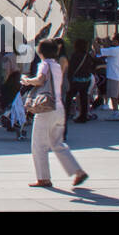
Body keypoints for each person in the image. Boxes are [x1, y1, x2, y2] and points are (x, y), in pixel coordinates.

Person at [21, 40, 87, 189]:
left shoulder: (44, 65)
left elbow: (40, 80)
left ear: (40, 52)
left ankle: (43, 178)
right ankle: (77, 170)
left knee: (38, 144)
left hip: (46, 108)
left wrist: (27, 81)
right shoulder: (57, 66)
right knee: (57, 143)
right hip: (59, 107)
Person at [95, 35, 119, 121]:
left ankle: (115, 113)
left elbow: (98, 51)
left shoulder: (114, 50)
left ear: (116, 41)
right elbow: (108, 51)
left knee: (113, 96)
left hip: (113, 75)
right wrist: (106, 43)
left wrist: (95, 43)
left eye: (113, 40)